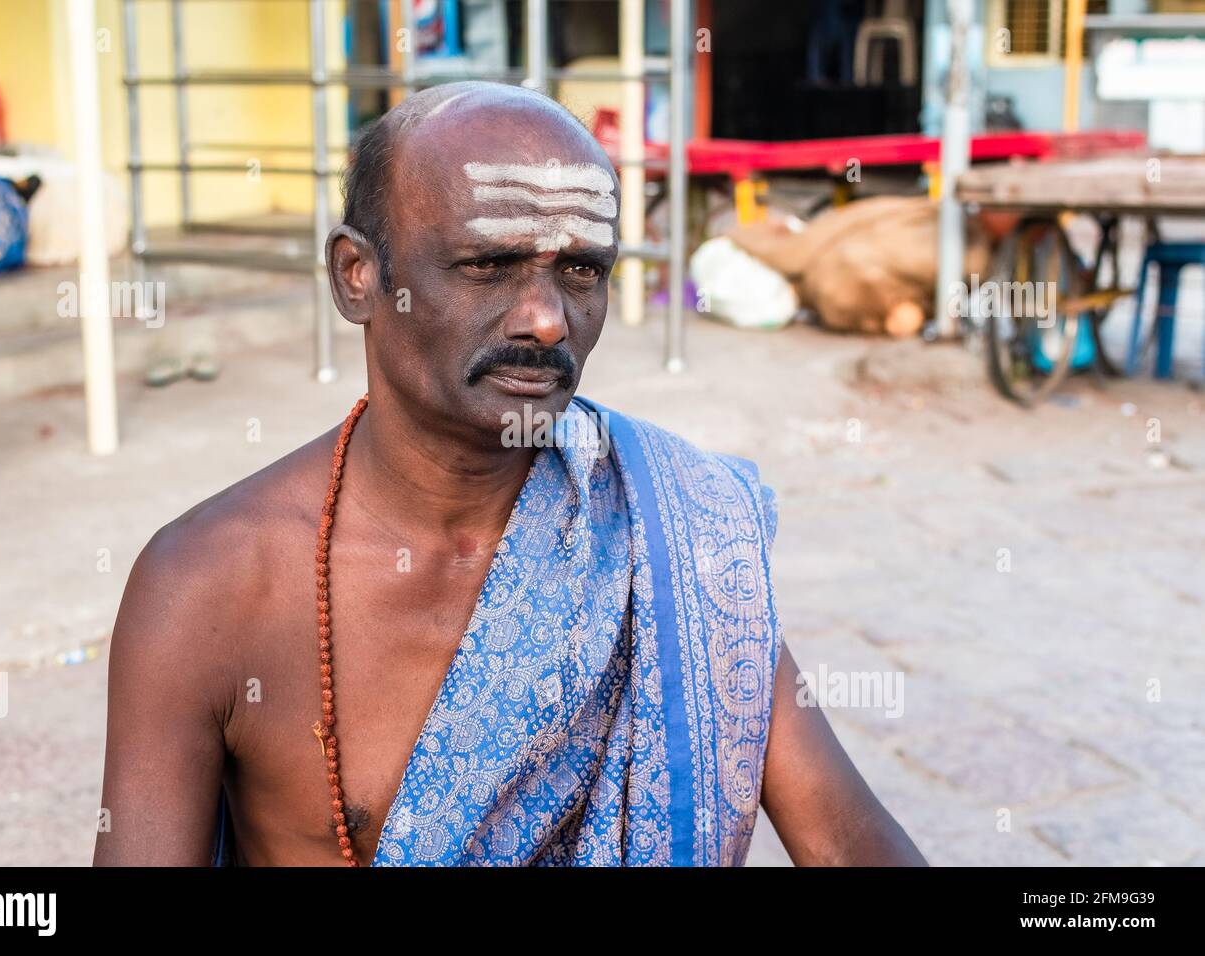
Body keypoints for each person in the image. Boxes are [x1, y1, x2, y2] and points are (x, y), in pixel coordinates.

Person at [94, 82, 925, 867]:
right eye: (488, 265)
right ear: (359, 276)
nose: (546, 318)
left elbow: (843, 841)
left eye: (582, 271)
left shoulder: (677, 536)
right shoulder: (206, 585)